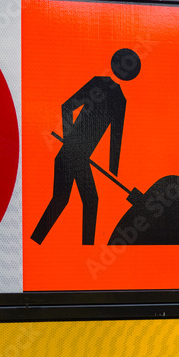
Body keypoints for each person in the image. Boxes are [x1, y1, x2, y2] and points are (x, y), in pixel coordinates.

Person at [31, 48, 141, 245]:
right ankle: (50, 243)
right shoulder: (98, 84)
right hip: (71, 154)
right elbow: (67, 106)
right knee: (74, 201)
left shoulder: (119, 100)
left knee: (71, 200)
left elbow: (116, 137)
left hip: (78, 156)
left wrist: (112, 169)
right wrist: (71, 140)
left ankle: (43, 240)